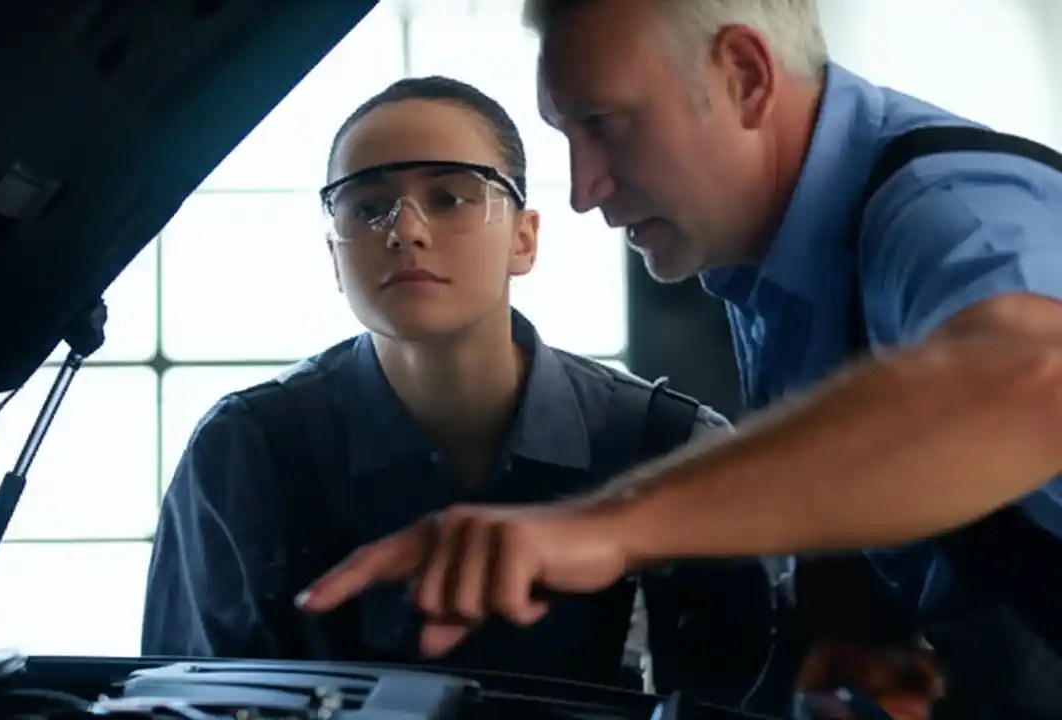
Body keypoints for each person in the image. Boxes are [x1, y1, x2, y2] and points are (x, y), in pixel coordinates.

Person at [297, 1, 1062, 716]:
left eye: (608, 124)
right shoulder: (755, 261)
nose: (584, 190)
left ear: (745, 79)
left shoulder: (956, 207)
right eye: (569, 135)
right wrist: (851, 612)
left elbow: (1029, 383)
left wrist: (597, 528)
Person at [140, 75, 759, 691]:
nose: (405, 230)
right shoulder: (244, 453)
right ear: (335, 255)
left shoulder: (673, 446)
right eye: (366, 205)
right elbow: (184, 695)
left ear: (525, 238)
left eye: (450, 197)